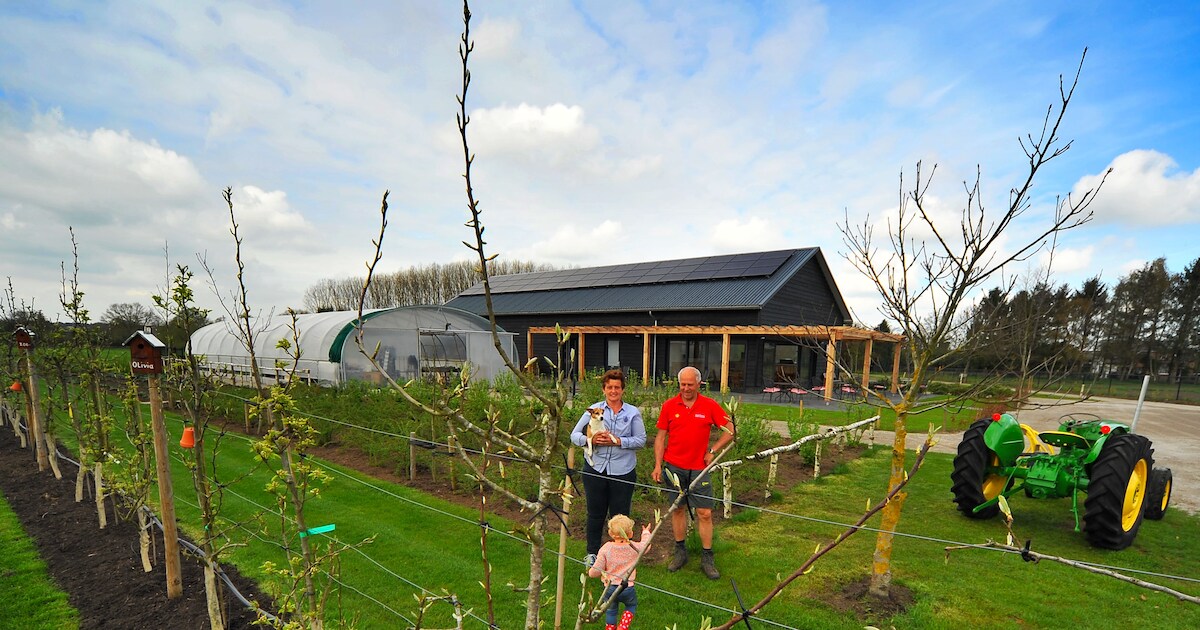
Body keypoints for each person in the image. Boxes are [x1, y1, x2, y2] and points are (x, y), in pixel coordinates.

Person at [651, 366, 733, 580]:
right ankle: (680, 552)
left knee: (704, 513)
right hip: (674, 467)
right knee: (677, 510)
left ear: (698, 384)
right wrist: (658, 465)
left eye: (690, 384)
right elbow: (660, 437)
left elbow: (731, 429)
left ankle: (707, 557)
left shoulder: (709, 405)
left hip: (699, 468)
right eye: (683, 384)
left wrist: (713, 451)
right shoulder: (669, 406)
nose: (686, 388)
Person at [570, 368, 647, 567]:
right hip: (595, 469)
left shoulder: (632, 413)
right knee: (595, 513)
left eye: (617, 387)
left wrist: (619, 441)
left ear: (623, 390)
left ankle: (620, 557)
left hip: (623, 471)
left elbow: (641, 440)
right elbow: (574, 435)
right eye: (610, 387)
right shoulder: (593, 409)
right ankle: (593, 554)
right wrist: (591, 440)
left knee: (620, 516)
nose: (613, 391)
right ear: (604, 389)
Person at [587, 514, 651, 630]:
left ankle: (610, 628)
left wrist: (590, 572)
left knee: (611, 610)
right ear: (630, 534)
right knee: (631, 605)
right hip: (627, 588)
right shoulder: (633, 547)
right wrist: (646, 533)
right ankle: (623, 627)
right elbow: (645, 546)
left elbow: (596, 570)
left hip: (609, 588)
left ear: (611, 533)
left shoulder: (606, 548)